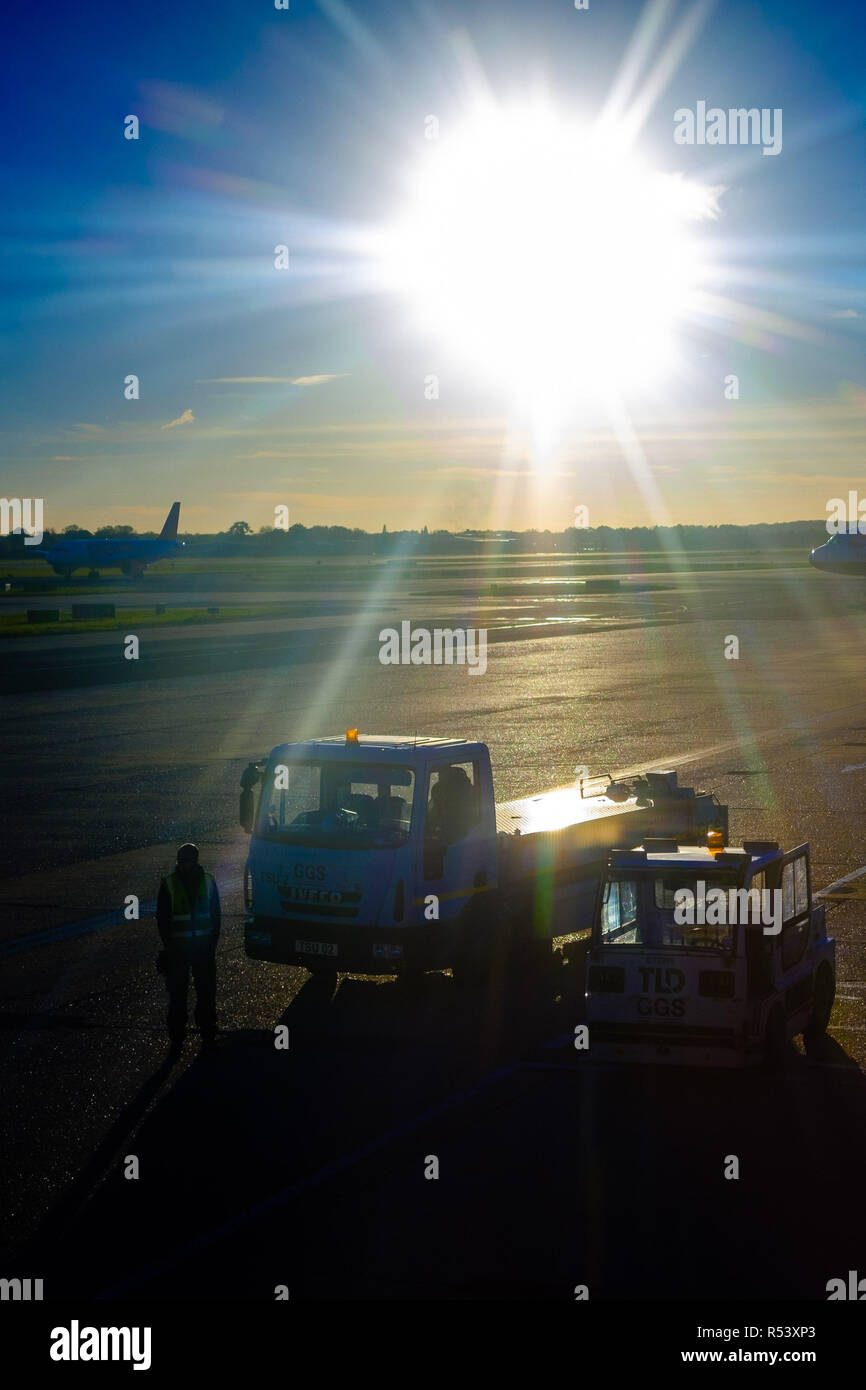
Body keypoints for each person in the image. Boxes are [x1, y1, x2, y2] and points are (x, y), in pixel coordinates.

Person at [156, 843, 220, 1049]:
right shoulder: (170, 883)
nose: (183, 864)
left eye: (186, 860)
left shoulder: (207, 882)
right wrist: (170, 946)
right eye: (181, 861)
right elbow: (163, 919)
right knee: (180, 995)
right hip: (182, 949)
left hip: (200, 948)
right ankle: (181, 1033)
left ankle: (204, 1029)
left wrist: (211, 945)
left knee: (204, 993)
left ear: (194, 861)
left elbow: (216, 916)